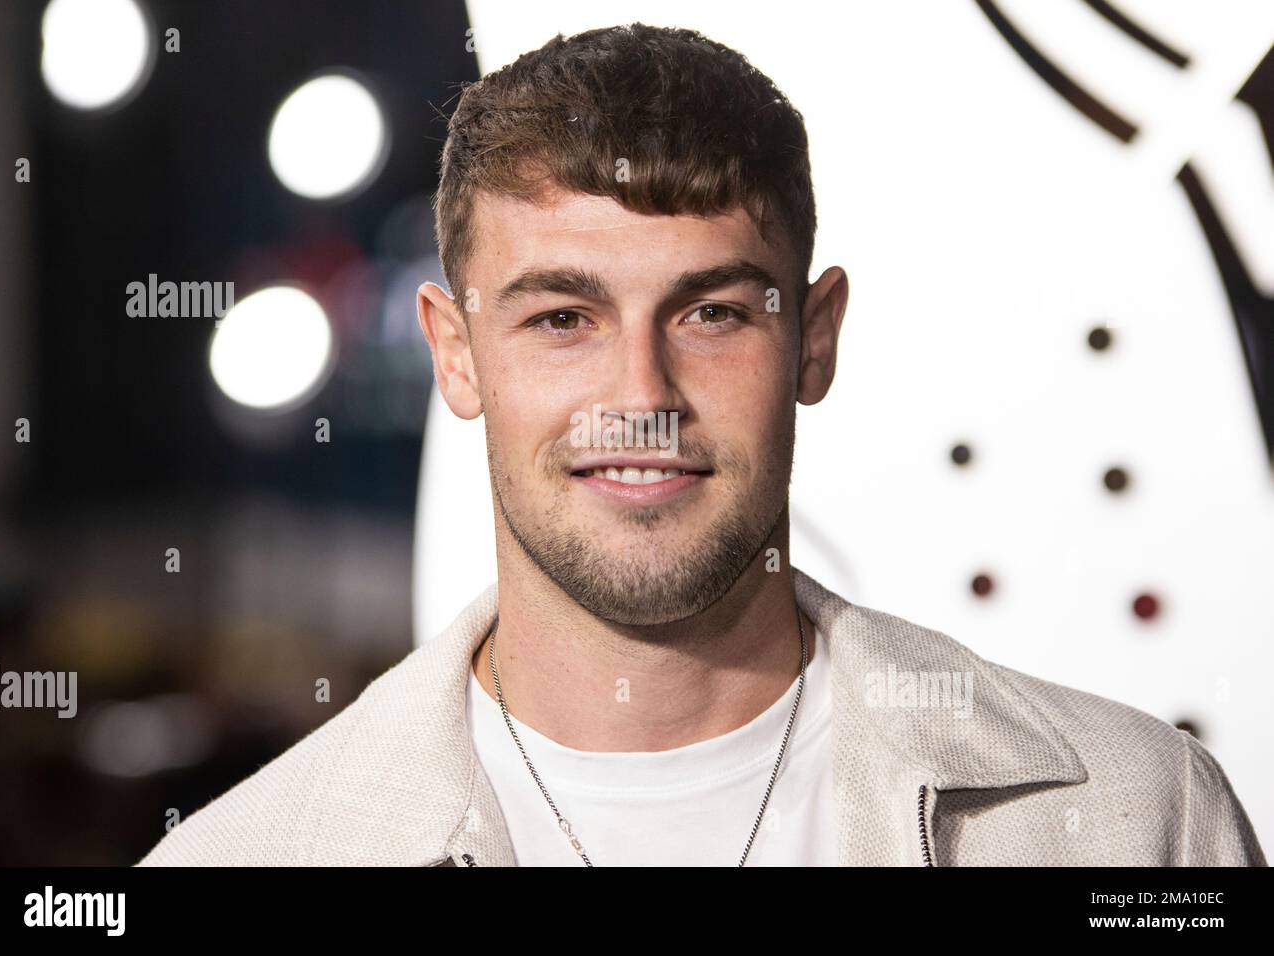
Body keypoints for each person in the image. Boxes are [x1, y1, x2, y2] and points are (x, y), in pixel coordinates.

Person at [138, 22, 1265, 867]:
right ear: (455, 352)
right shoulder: (251, 856)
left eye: (712, 312)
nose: (642, 395)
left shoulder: (1134, 822)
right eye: (562, 317)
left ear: (813, 340)